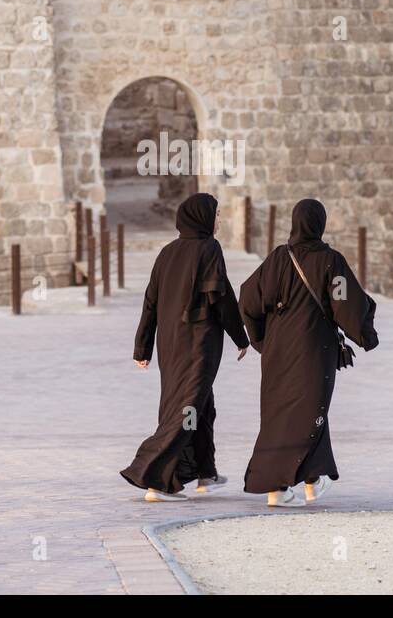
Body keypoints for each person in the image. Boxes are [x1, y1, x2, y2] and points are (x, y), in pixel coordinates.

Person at [239, 199, 378, 507]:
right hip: (314, 350)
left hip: (277, 351)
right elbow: (346, 303)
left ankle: (313, 480)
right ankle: (277, 486)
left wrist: (261, 339)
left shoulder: (277, 259)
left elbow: (248, 299)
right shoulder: (331, 261)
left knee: (290, 414)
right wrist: (366, 334)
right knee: (308, 411)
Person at [121, 192, 250, 502]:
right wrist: (240, 336)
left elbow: (150, 302)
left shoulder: (167, 252)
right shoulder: (209, 248)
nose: (219, 221)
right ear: (203, 217)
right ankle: (153, 477)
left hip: (170, 344)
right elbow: (220, 297)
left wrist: (143, 347)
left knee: (202, 406)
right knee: (186, 408)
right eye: (217, 215)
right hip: (198, 344)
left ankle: (205, 473)